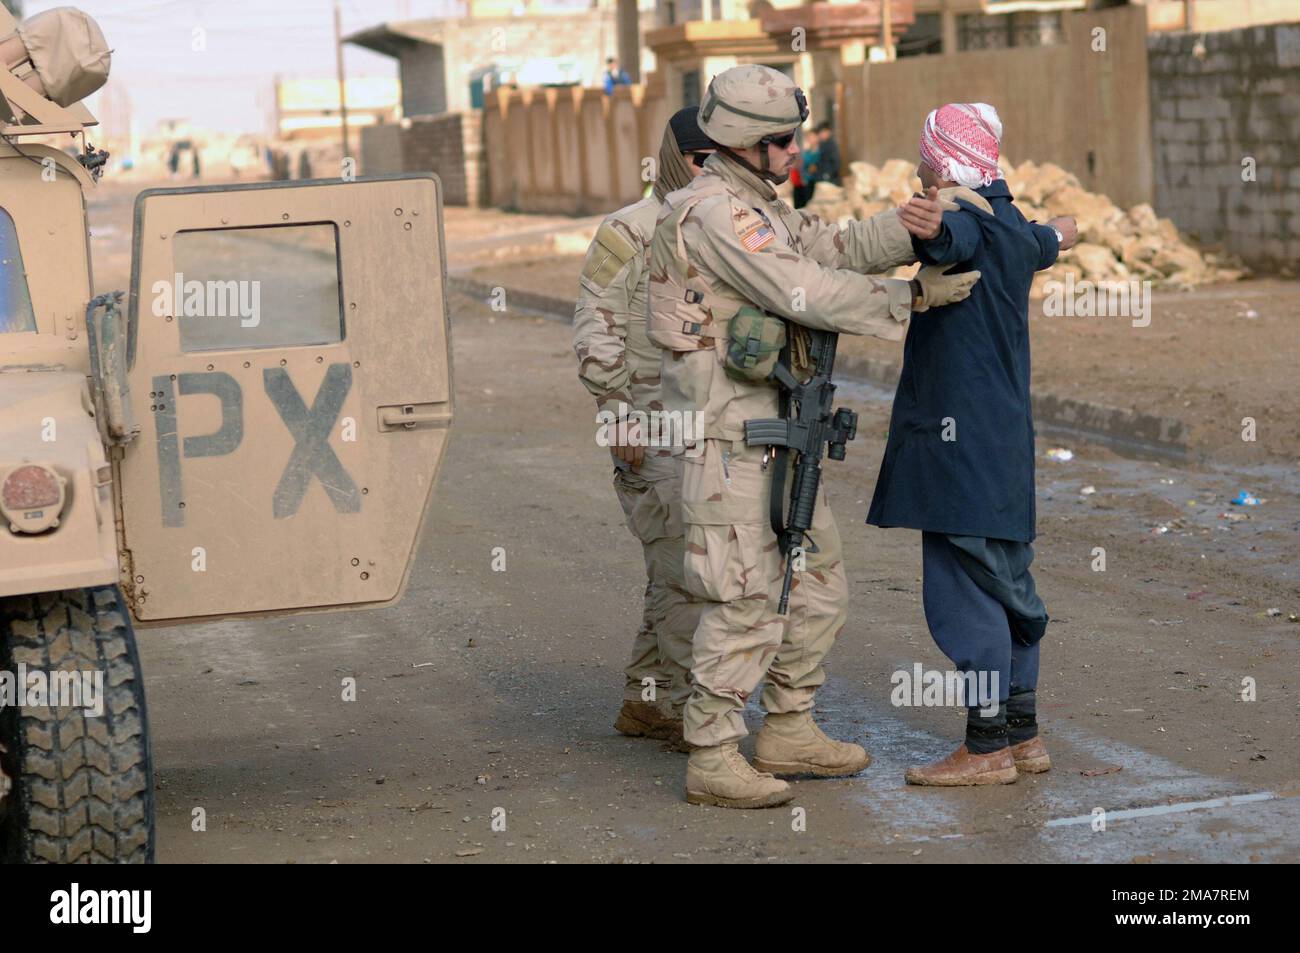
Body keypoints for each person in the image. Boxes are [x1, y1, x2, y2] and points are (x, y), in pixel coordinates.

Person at [649, 65, 981, 809]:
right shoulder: (714, 215)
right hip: (727, 440)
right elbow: (808, 292)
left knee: (818, 582)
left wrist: (913, 224)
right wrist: (912, 297)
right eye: (781, 140)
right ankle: (711, 752)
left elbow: (831, 249)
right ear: (742, 141)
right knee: (742, 594)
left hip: (776, 434)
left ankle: (789, 726)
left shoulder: (760, 204)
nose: (795, 149)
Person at [866, 102, 1078, 786]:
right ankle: (1024, 735)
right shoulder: (1014, 225)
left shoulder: (960, 219)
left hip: (957, 445)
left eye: (926, 157)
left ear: (941, 159)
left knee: (965, 592)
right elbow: (1042, 240)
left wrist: (929, 228)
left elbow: (950, 236)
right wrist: (1062, 233)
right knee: (1010, 582)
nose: (922, 167)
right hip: (1004, 441)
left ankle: (985, 748)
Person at [572, 108, 719, 746]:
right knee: (688, 566)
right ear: (671, 155)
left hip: (710, 422)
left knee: (678, 569)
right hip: (650, 424)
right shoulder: (629, 230)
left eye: (719, 156)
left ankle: (647, 697)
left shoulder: (724, 223)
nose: (707, 168)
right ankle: (691, 712)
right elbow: (594, 322)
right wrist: (615, 412)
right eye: (696, 156)